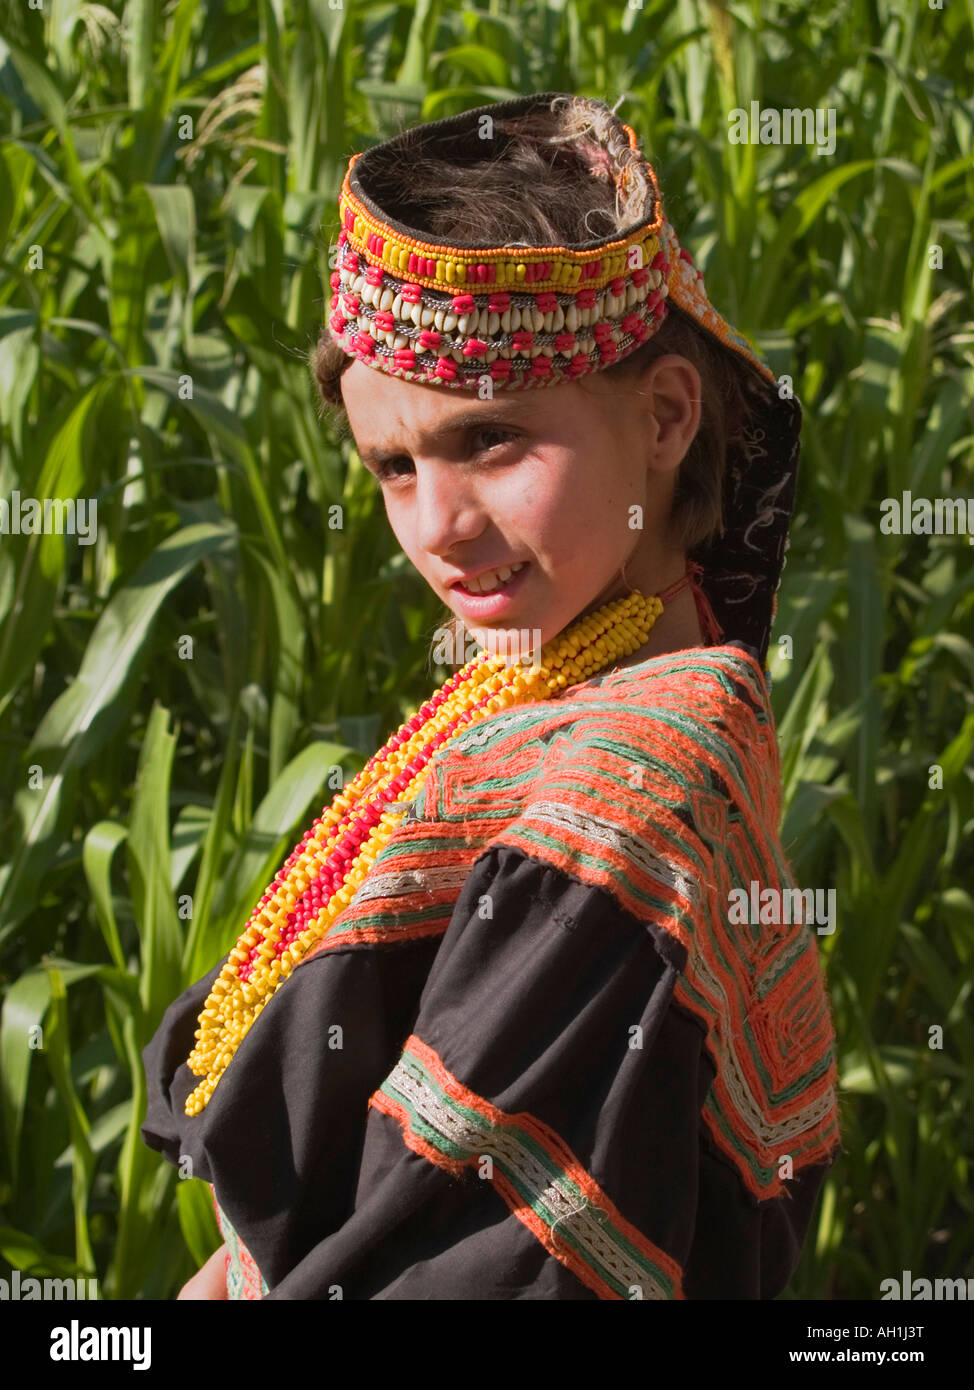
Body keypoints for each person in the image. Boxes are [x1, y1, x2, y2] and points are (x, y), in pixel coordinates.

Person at [142, 91, 842, 1301]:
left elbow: (483, 1264)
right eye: (394, 465)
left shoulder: (632, 788)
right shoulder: (554, 688)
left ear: (667, 415)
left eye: (492, 441)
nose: (439, 527)